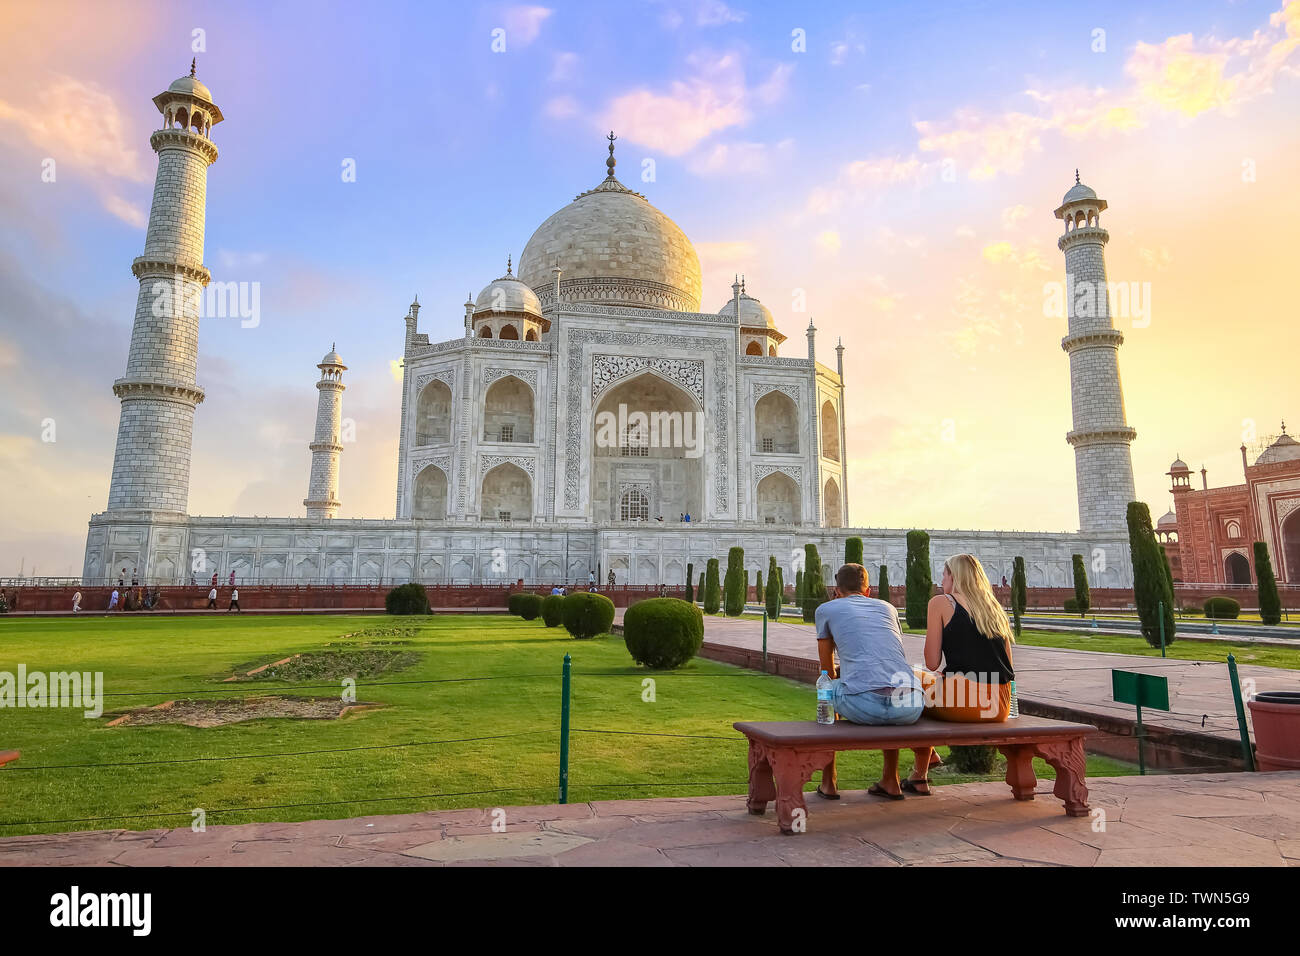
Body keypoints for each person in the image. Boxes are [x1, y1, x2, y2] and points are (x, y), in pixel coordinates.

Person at [902, 554, 1016, 796]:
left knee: (907, 682)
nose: (941, 580)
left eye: (944, 575)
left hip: (964, 704)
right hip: (999, 706)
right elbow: (1008, 667)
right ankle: (919, 775)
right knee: (925, 691)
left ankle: (925, 759)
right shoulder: (994, 608)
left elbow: (932, 663)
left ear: (954, 577)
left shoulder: (941, 602)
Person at [814, 564, 923, 801]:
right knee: (889, 684)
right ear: (868, 591)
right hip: (911, 705)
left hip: (865, 705)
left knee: (825, 690)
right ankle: (891, 780)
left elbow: (826, 671)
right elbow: (889, 657)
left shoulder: (827, 609)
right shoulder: (888, 608)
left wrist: (843, 673)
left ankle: (829, 782)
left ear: (837, 590)